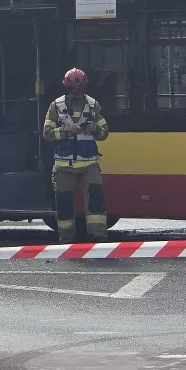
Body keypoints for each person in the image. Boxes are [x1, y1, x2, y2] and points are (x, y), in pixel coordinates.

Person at [42, 68, 110, 243]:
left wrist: (96, 129)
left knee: (96, 203)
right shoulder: (56, 106)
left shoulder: (93, 105)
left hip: (89, 164)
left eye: (80, 86)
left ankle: (99, 239)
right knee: (64, 205)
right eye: (74, 87)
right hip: (64, 166)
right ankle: (66, 240)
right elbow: (47, 134)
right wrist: (67, 131)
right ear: (68, 88)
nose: (77, 90)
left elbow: (104, 132)